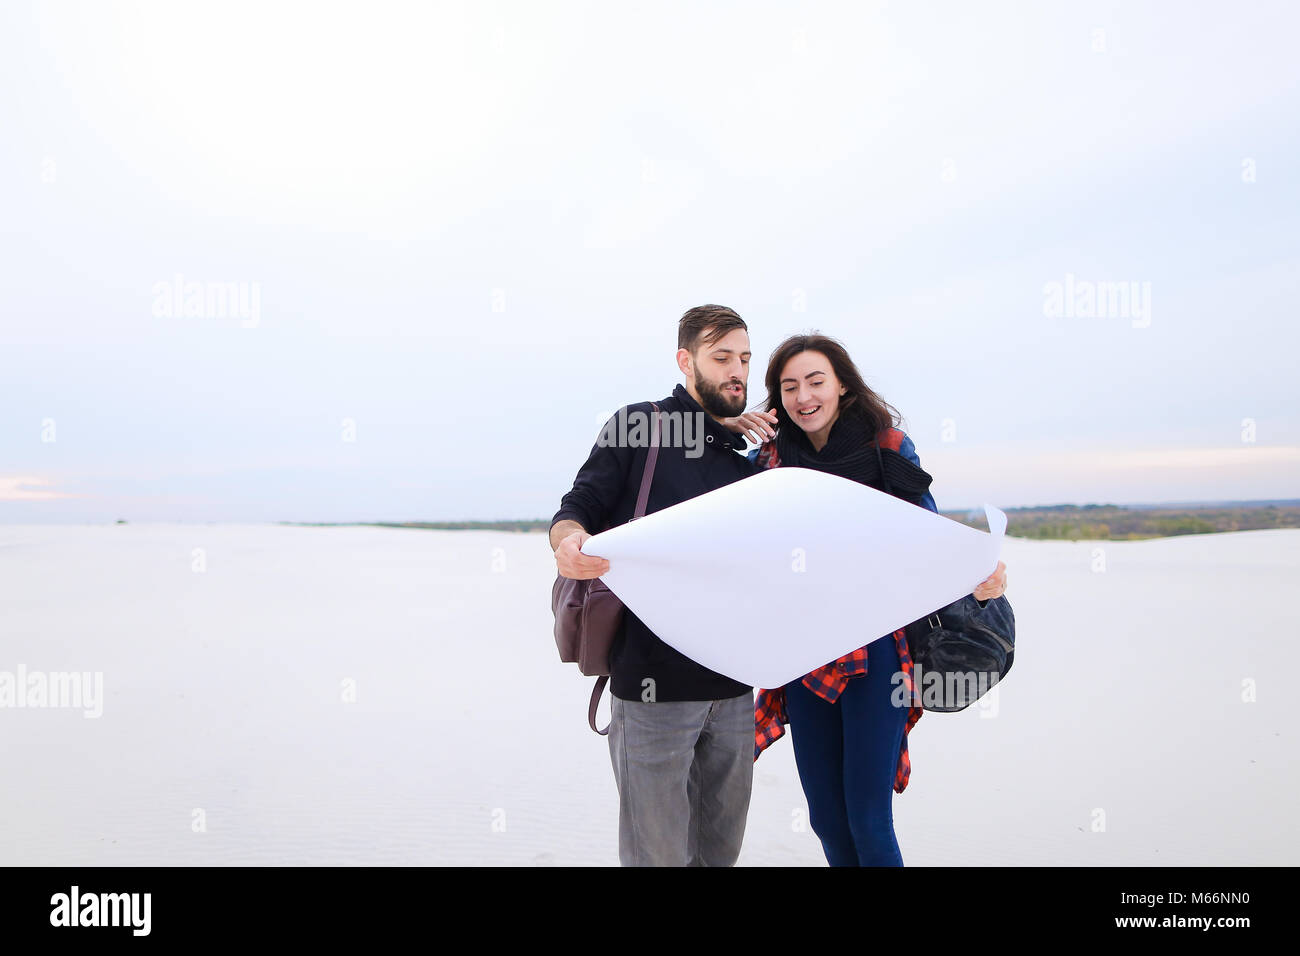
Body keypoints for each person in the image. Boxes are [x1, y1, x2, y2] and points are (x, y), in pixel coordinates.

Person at [731, 332, 1008, 867]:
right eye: (789, 387)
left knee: (867, 815)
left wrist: (981, 570)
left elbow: (927, 529)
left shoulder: (886, 448)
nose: (803, 396)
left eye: (815, 381)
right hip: (804, 652)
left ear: (842, 387)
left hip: (877, 649)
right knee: (826, 818)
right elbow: (723, 525)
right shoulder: (767, 461)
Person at [550, 304, 764, 867]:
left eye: (744, 358)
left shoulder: (749, 463)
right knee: (657, 858)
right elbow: (578, 509)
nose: (736, 370)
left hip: (736, 690)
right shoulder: (638, 426)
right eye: (721, 358)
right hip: (651, 687)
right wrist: (567, 544)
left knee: (720, 856)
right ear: (685, 361)